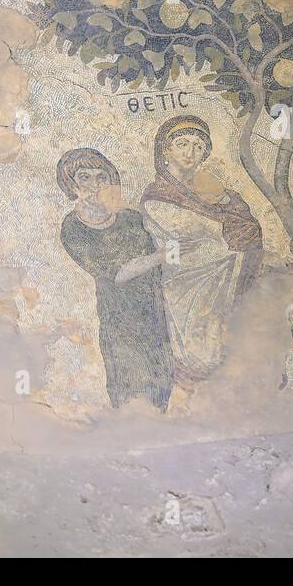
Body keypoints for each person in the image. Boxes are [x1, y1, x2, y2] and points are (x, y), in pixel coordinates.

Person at [141, 115, 263, 407]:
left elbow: (246, 227)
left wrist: (231, 217)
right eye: (181, 144)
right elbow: (196, 239)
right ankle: (185, 409)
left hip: (224, 282)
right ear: (164, 151)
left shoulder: (218, 193)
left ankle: (217, 409)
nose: (190, 152)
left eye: (198, 146)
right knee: (195, 352)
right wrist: (229, 225)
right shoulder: (156, 197)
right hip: (185, 285)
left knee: (222, 345)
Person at [57, 148, 174, 411]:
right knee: (130, 385)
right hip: (119, 319)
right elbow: (115, 275)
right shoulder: (73, 228)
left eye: (101, 177)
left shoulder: (131, 219)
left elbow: (157, 268)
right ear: (71, 184)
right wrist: (162, 256)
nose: (94, 185)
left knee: (162, 380)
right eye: (84, 177)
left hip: (152, 313)